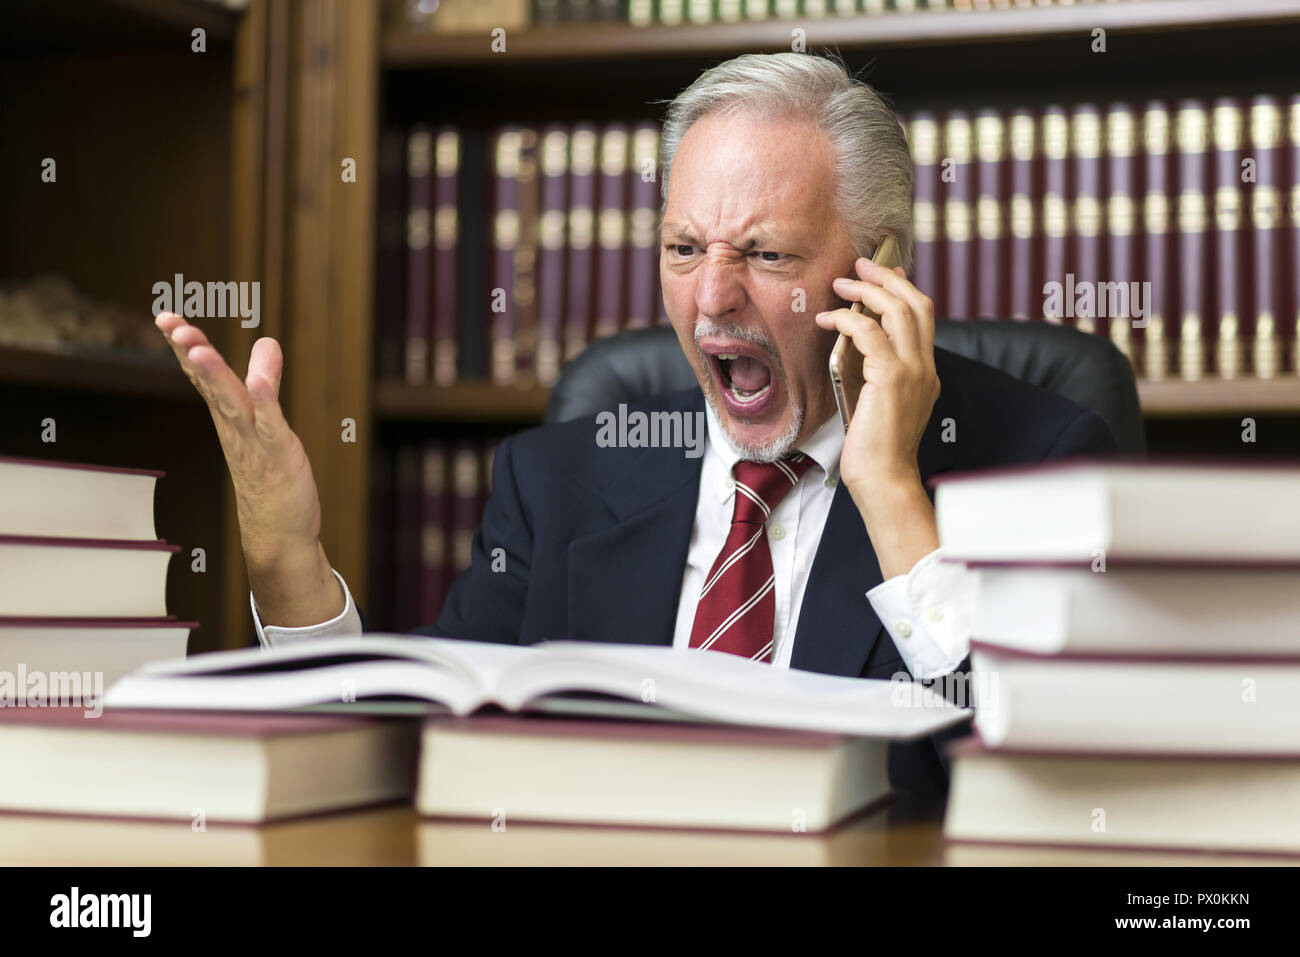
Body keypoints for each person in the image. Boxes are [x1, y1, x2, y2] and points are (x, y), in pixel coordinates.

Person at [155, 52, 1115, 795]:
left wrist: (892, 490)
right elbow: (396, 757)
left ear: (877, 272)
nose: (711, 300)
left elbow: (1050, 788)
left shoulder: (1035, 459)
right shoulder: (558, 480)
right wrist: (289, 562)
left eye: (768, 253)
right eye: (684, 247)